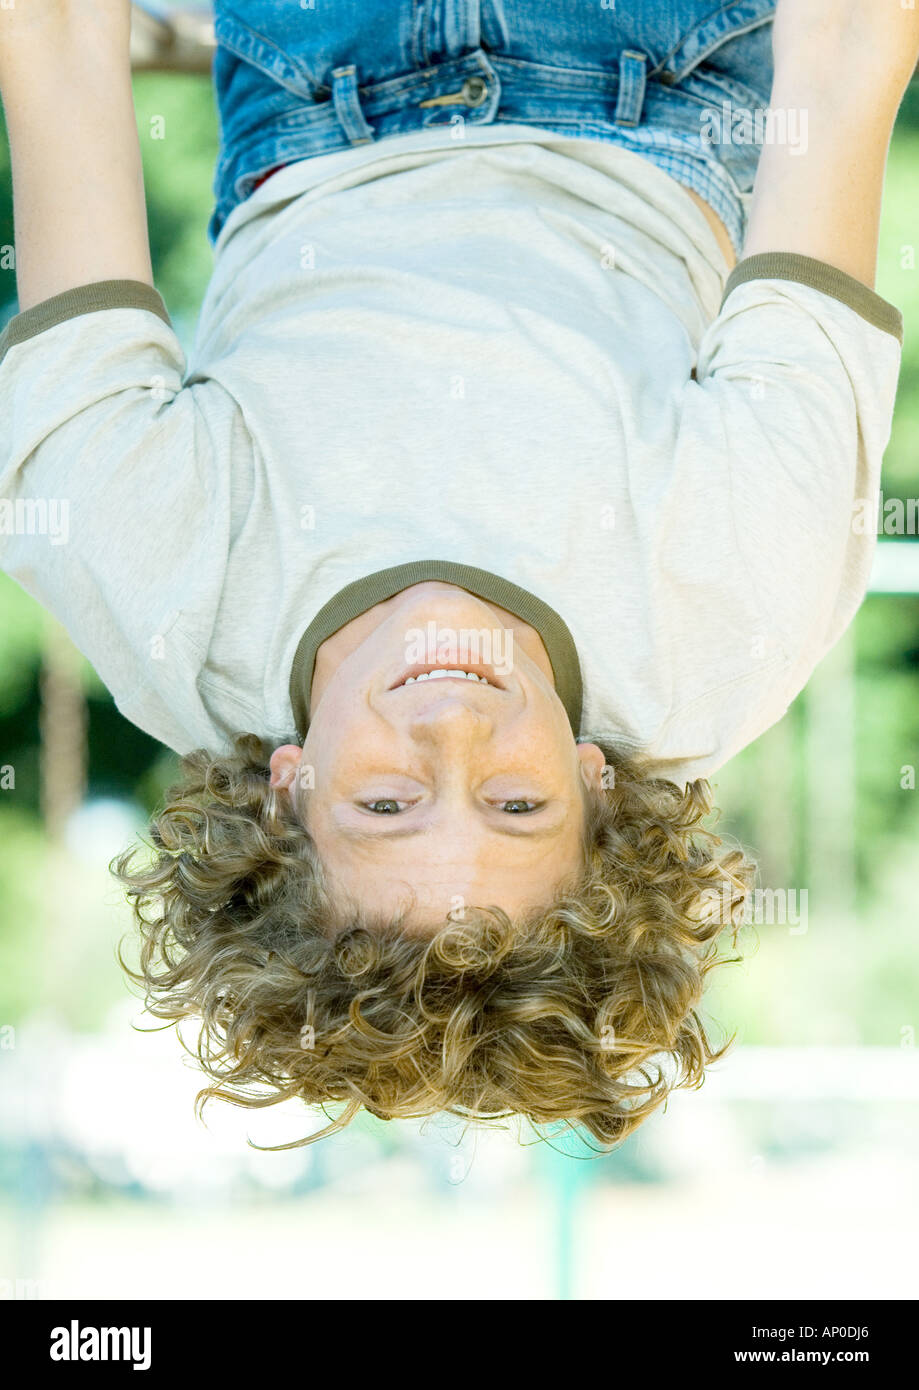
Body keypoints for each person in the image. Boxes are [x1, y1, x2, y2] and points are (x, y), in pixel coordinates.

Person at [0, 0, 913, 1147]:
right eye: (516, 804)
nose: (452, 731)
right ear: (594, 783)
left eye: (386, 805)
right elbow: (842, 53)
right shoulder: (729, 609)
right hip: (651, 66)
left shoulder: (160, 584)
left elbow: (58, 39)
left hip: (311, 68)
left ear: (287, 791)